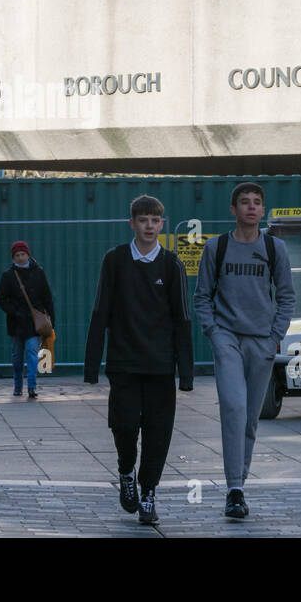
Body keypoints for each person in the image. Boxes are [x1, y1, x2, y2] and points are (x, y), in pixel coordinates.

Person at [84, 195, 193, 527]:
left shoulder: (172, 264)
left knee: (159, 433)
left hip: (160, 365)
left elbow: (182, 319)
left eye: (155, 220)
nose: (149, 226)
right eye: (143, 220)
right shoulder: (115, 260)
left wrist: (185, 372)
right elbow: (101, 309)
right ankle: (125, 470)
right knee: (125, 426)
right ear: (132, 223)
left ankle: (148, 493)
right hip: (124, 362)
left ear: (162, 224)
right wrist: (92, 366)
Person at [193, 182, 295, 521]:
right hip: (228, 340)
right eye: (244, 202)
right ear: (233, 209)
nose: (251, 207)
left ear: (263, 210)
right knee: (234, 410)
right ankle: (233, 489)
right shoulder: (216, 247)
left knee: (250, 418)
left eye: (256, 203)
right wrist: (214, 332)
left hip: (261, 342)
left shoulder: (274, 247)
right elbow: (202, 296)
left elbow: (286, 296)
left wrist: (274, 336)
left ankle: (240, 484)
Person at [0, 241, 55, 399]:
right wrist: (14, 311)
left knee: (32, 353)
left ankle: (32, 387)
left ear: (28, 254)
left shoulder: (38, 272)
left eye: (23, 254)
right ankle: (18, 386)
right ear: (13, 257)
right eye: (17, 255)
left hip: (34, 323)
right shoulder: (8, 275)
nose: (20, 258)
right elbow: (1, 298)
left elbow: (47, 298)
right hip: (16, 322)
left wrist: (51, 322)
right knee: (17, 356)